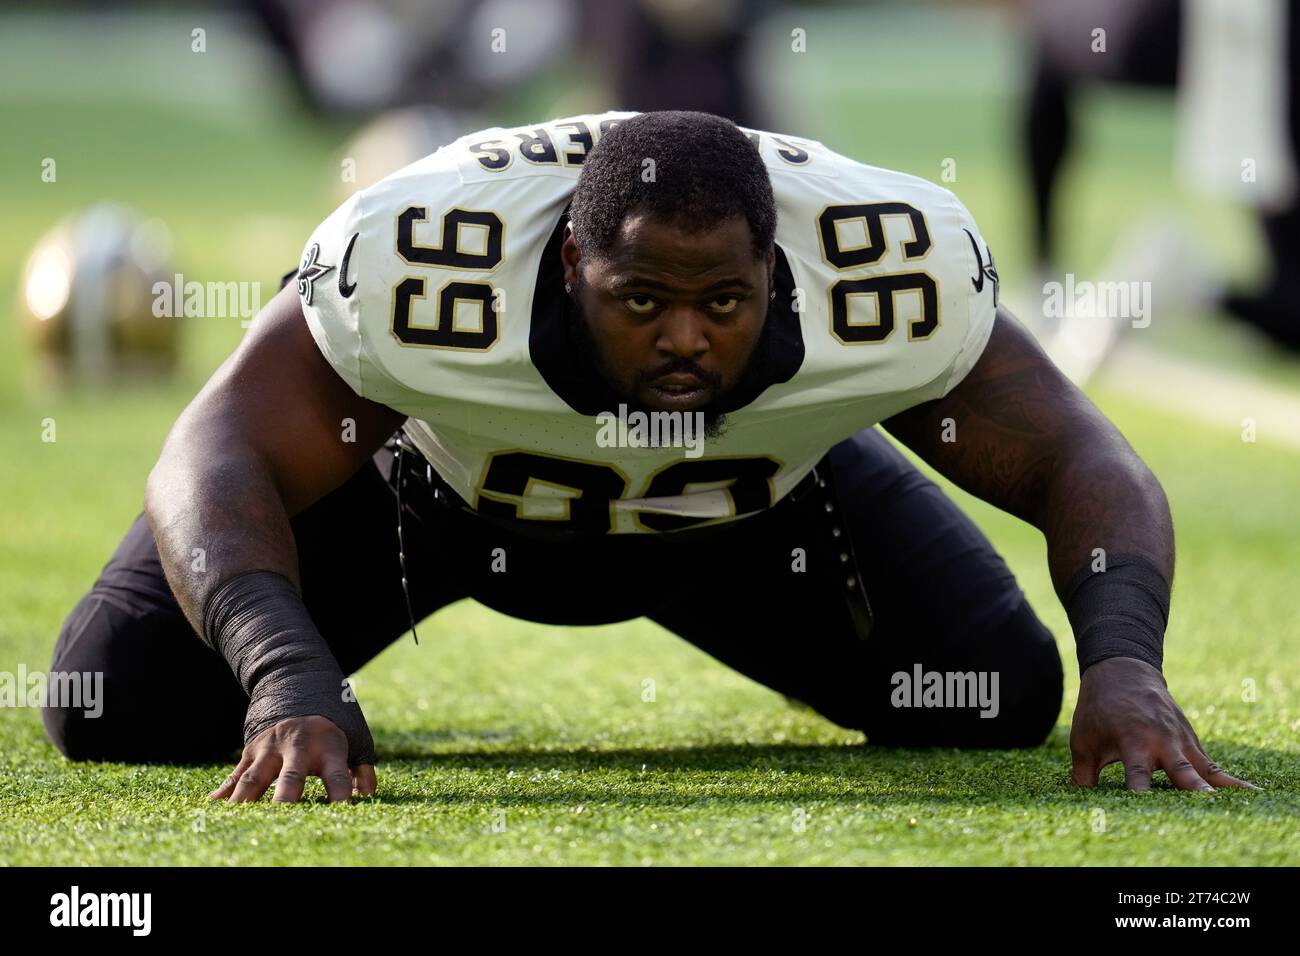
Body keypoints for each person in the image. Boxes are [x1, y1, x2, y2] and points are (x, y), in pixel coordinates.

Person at [43, 110, 1253, 803]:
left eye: (724, 301)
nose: (684, 337)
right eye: (641, 301)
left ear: (777, 271)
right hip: (439, 499)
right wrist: (284, 671)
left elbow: (1078, 455)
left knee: (995, 696)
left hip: (753, 516)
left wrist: (1128, 662)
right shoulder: (421, 262)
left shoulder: (885, 269)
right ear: (569, 267)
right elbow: (213, 449)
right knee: (112, 701)